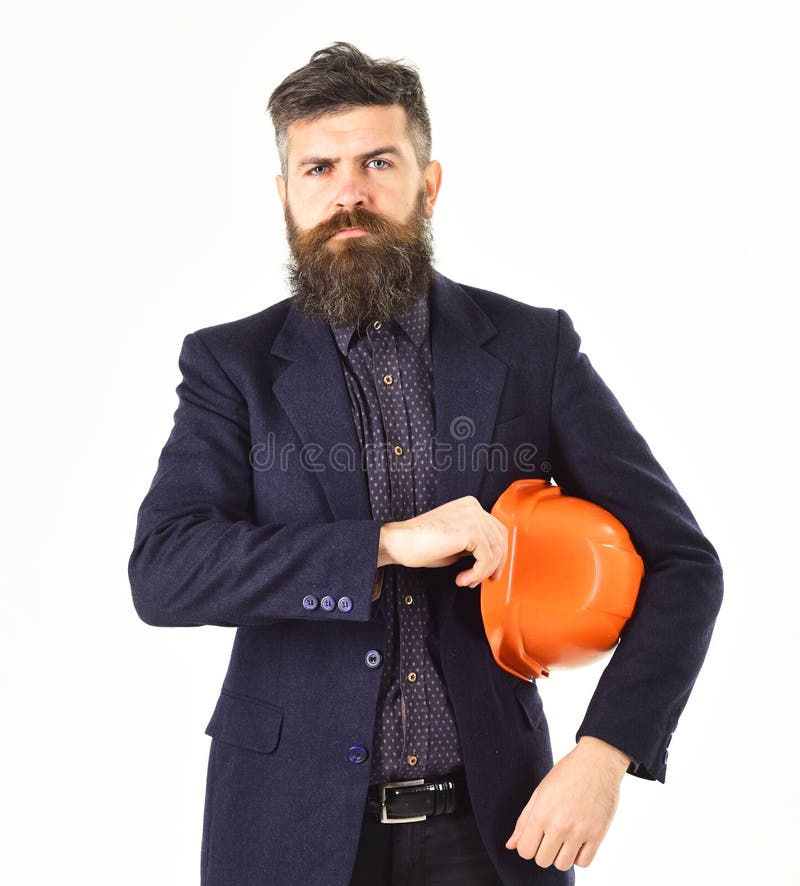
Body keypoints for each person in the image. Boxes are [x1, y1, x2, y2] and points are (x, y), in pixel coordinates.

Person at [128, 42, 723, 886]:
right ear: (285, 195)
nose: (349, 193)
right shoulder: (232, 365)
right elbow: (165, 573)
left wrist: (605, 753)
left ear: (428, 182)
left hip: (495, 828)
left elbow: (685, 565)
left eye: (378, 161)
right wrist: (381, 543)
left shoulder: (530, 348)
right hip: (285, 829)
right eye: (319, 168)